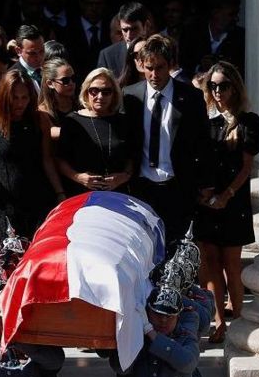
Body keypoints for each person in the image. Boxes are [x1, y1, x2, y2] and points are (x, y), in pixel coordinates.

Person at [124, 34, 212, 247]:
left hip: (177, 186)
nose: (154, 74)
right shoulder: (130, 97)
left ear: (170, 65)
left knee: (175, 249)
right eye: (149, 68)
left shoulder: (190, 97)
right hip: (141, 186)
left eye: (160, 68)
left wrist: (206, 183)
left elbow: (203, 143)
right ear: (141, 65)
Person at [195, 62, 259, 343]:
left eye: (223, 85)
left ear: (235, 87)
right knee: (209, 263)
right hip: (205, 199)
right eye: (212, 86)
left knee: (231, 264)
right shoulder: (205, 121)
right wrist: (201, 193)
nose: (218, 91)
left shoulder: (248, 121)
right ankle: (218, 320)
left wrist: (225, 196)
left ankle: (240, 321)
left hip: (233, 200)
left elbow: (246, 167)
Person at [0, 70, 63, 260]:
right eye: (14, 97)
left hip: (36, 203)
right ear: (5, 97)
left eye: (24, 97)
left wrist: (60, 193)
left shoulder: (40, 120)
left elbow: (47, 160)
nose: (20, 103)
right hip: (4, 207)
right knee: (4, 264)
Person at [56, 68, 134, 197]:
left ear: (114, 94)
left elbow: (132, 157)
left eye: (106, 92)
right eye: (94, 91)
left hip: (118, 194)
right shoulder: (72, 121)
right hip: (83, 195)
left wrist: (123, 176)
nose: (100, 97)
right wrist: (78, 177)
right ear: (86, 92)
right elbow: (60, 159)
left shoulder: (123, 121)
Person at [98, 2, 152, 76]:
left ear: (146, 26)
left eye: (134, 29)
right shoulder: (107, 56)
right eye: (125, 30)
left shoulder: (159, 51)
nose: (129, 35)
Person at [38, 57, 79, 141]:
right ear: (50, 83)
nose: (71, 83)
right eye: (65, 80)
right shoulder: (43, 112)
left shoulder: (81, 105)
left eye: (73, 78)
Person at [10, 24, 46, 92]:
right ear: (18, 51)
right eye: (32, 53)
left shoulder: (49, 70)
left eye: (41, 51)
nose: (39, 57)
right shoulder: (12, 79)